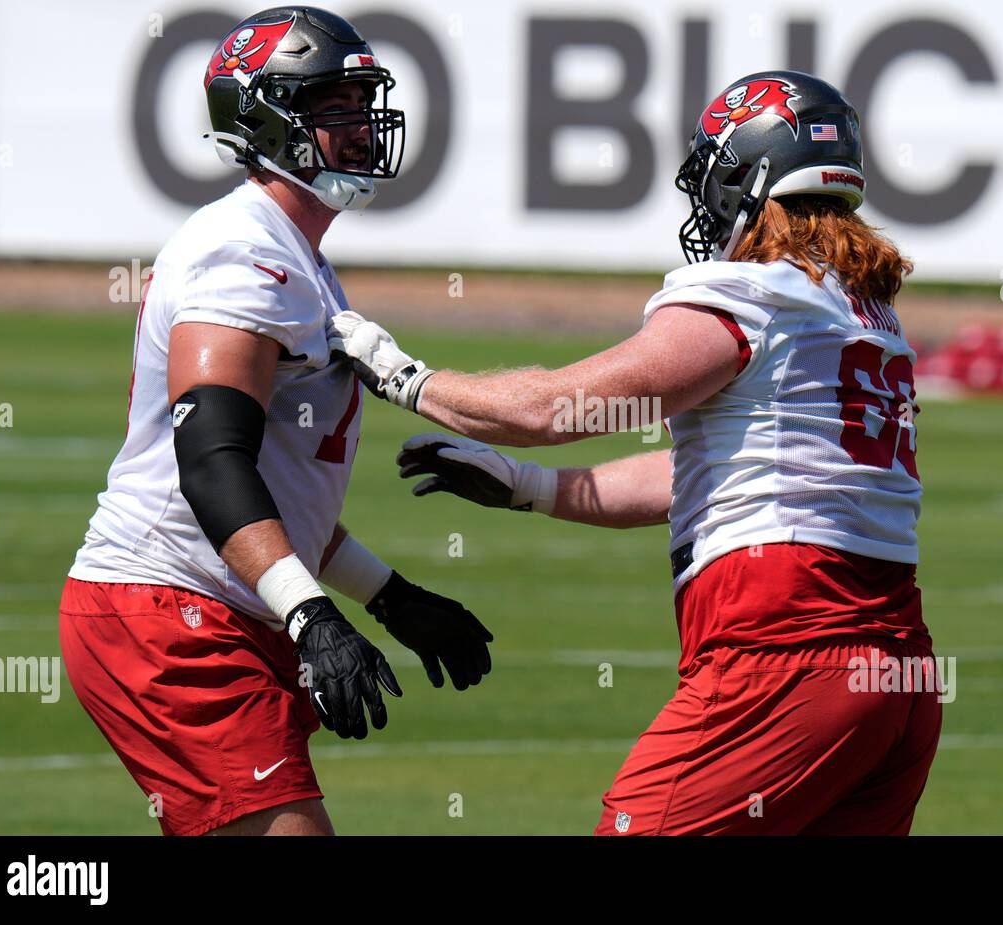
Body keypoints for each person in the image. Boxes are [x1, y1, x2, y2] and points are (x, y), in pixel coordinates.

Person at [329, 69, 940, 836]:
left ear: (747, 177)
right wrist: (529, 487)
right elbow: (714, 474)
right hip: (897, 674)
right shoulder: (863, 313)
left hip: (783, 651)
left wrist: (405, 376)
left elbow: (559, 405)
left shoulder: (756, 294)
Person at [58, 6, 491, 837]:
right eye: (333, 109)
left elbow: (281, 494)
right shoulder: (243, 252)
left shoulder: (298, 257)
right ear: (268, 117)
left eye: (361, 106)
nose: (360, 128)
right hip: (168, 607)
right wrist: (312, 612)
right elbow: (214, 463)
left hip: (207, 601)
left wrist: (389, 597)